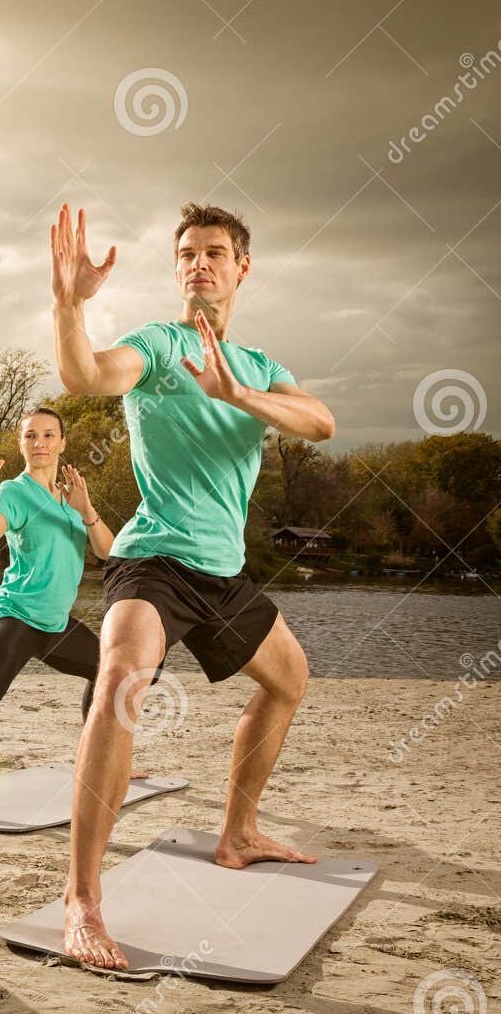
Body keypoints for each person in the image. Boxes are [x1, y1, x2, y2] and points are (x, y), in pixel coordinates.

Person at [48, 201, 336, 970]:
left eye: (214, 252)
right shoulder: (158, 344)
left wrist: (238, 394)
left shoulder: (263, 367)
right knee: (119, 677)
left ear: (243, 267)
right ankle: (81, 898)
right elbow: (85, 374)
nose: (198, 264)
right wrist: (70, 305)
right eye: (186, 254)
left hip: (225, 571)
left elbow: (320, 424)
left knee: (288, 680)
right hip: (155, 562)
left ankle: (238, 832)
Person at [0, 411, 119, 825]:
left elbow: (108, 552)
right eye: (31, 435)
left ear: (62, 442)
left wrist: (86, 509)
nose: (40, 442)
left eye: (49, 435)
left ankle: (93, 757)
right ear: (21, 443)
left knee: (110, 671)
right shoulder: (12, 493)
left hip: (55, 624)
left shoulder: (72, 497)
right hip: (15, 615)